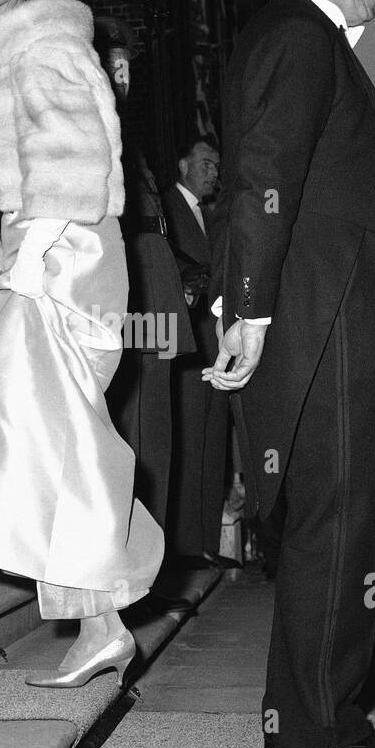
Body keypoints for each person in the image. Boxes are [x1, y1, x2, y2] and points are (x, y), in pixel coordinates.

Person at [206, 0, 375, 748]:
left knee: (337, 516)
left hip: (338, 304)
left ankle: (308, 720)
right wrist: (249, 308)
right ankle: (319, 727)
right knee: (340, 519)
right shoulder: (299, 33)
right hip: (330, 307)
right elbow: (264, 174)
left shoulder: (302, 37)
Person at [0, 0, 162, 687]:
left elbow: (71, 169)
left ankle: (105, 616)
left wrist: (25, 257)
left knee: (35, 428)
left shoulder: (43, 48)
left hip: (61, 258)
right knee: (46, 433)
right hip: (42, 251)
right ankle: (101, 622)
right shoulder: (6, 50)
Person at [96, 16, 195, 533]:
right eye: (111, 67)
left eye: (125, 68)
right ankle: (132, 551)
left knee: (155, 416)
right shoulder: (91, 129)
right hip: (127, 279)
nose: (122, 79)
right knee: (132, 414)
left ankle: (155, 550)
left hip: (152, 275)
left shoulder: (123, 133)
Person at [163, 137, 230, 565]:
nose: (213, 172)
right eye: (205, 163)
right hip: (185, 342)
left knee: (213, 439)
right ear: (183, 164)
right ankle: (185, 546)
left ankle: (206, 543)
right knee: (188, 440)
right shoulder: (165, 207)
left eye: (216, 166)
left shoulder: (211, 214)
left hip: (215, 341)